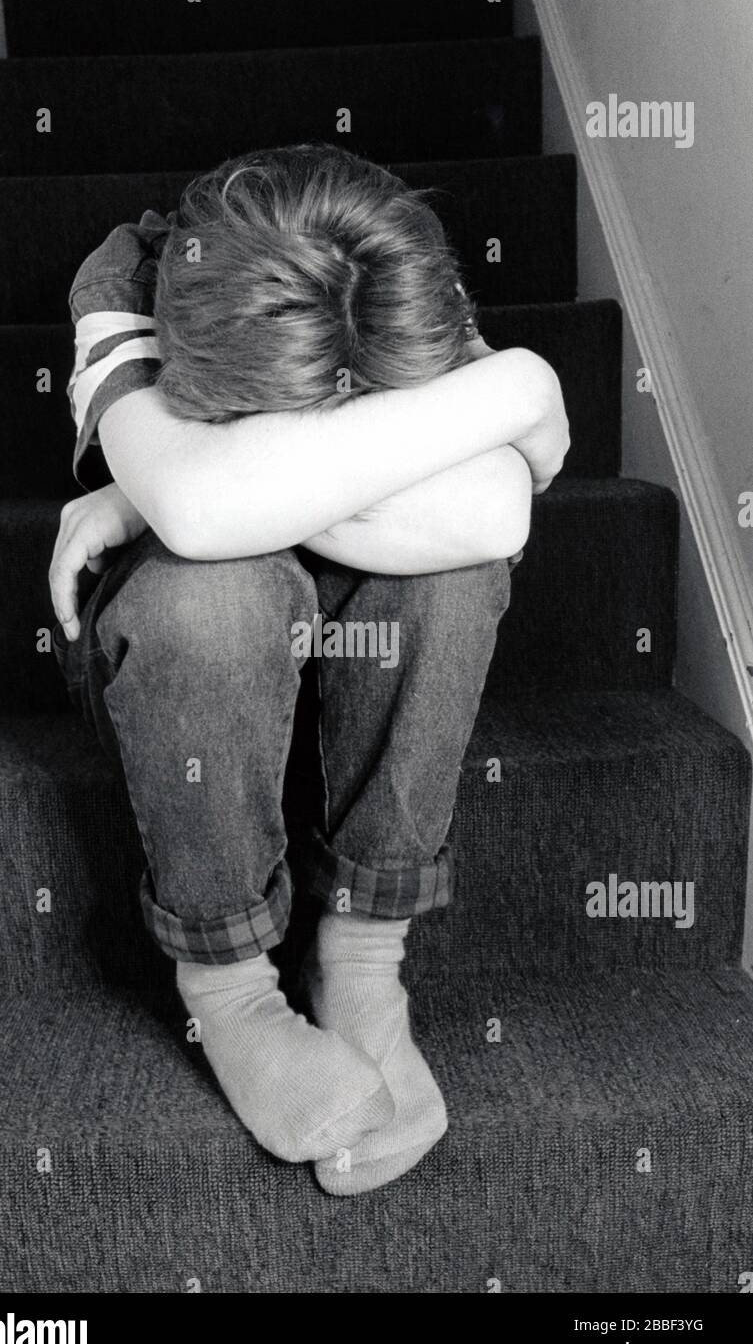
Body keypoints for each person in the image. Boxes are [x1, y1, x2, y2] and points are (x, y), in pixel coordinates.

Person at [49, 143, 569, 1194]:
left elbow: (490, 513)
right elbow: (201, 520)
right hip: (197, 646)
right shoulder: (127, 281)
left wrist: (175, 486)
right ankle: (230, 982)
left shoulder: (387, 283)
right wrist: (513, 392)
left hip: (360, 606)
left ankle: (363, 956)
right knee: (206, 587)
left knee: (455, 576)